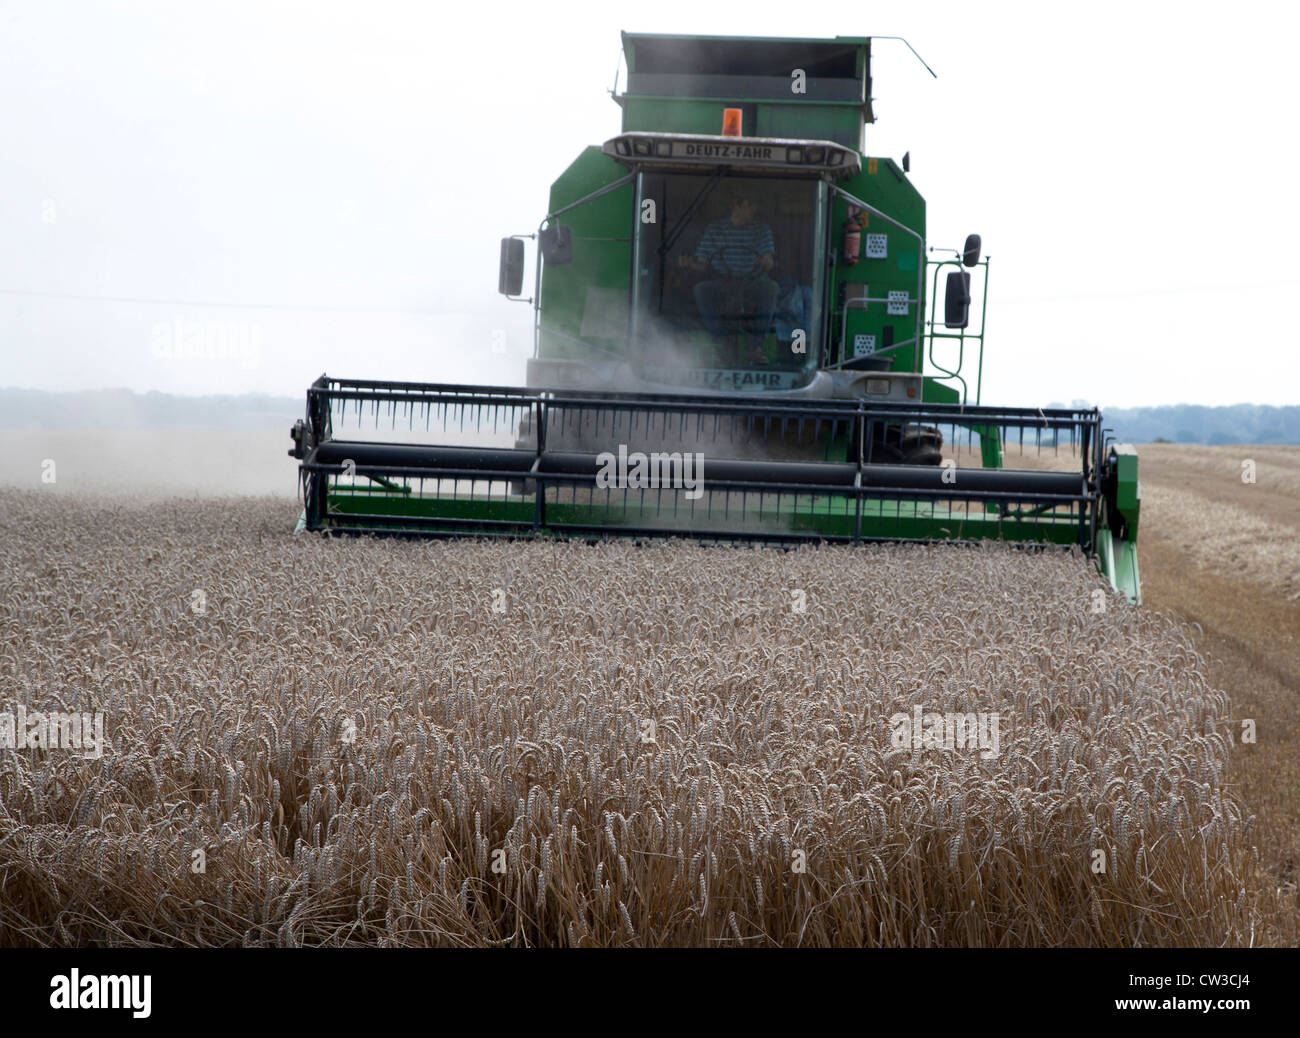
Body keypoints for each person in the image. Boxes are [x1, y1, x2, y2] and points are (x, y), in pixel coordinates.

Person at [677, 192, 778, 362]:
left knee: (771, 288)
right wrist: (688, 264)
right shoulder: (714, 229)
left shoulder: (761, 229)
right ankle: (720, 344)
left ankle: (756, 348)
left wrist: (766, 262)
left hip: (752, 283)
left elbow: (769, 262)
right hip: (722, 282)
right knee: (701, 289)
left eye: (755, 205)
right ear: (735, 205)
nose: (754, 209)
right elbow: (702, 265)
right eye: (749, 204)